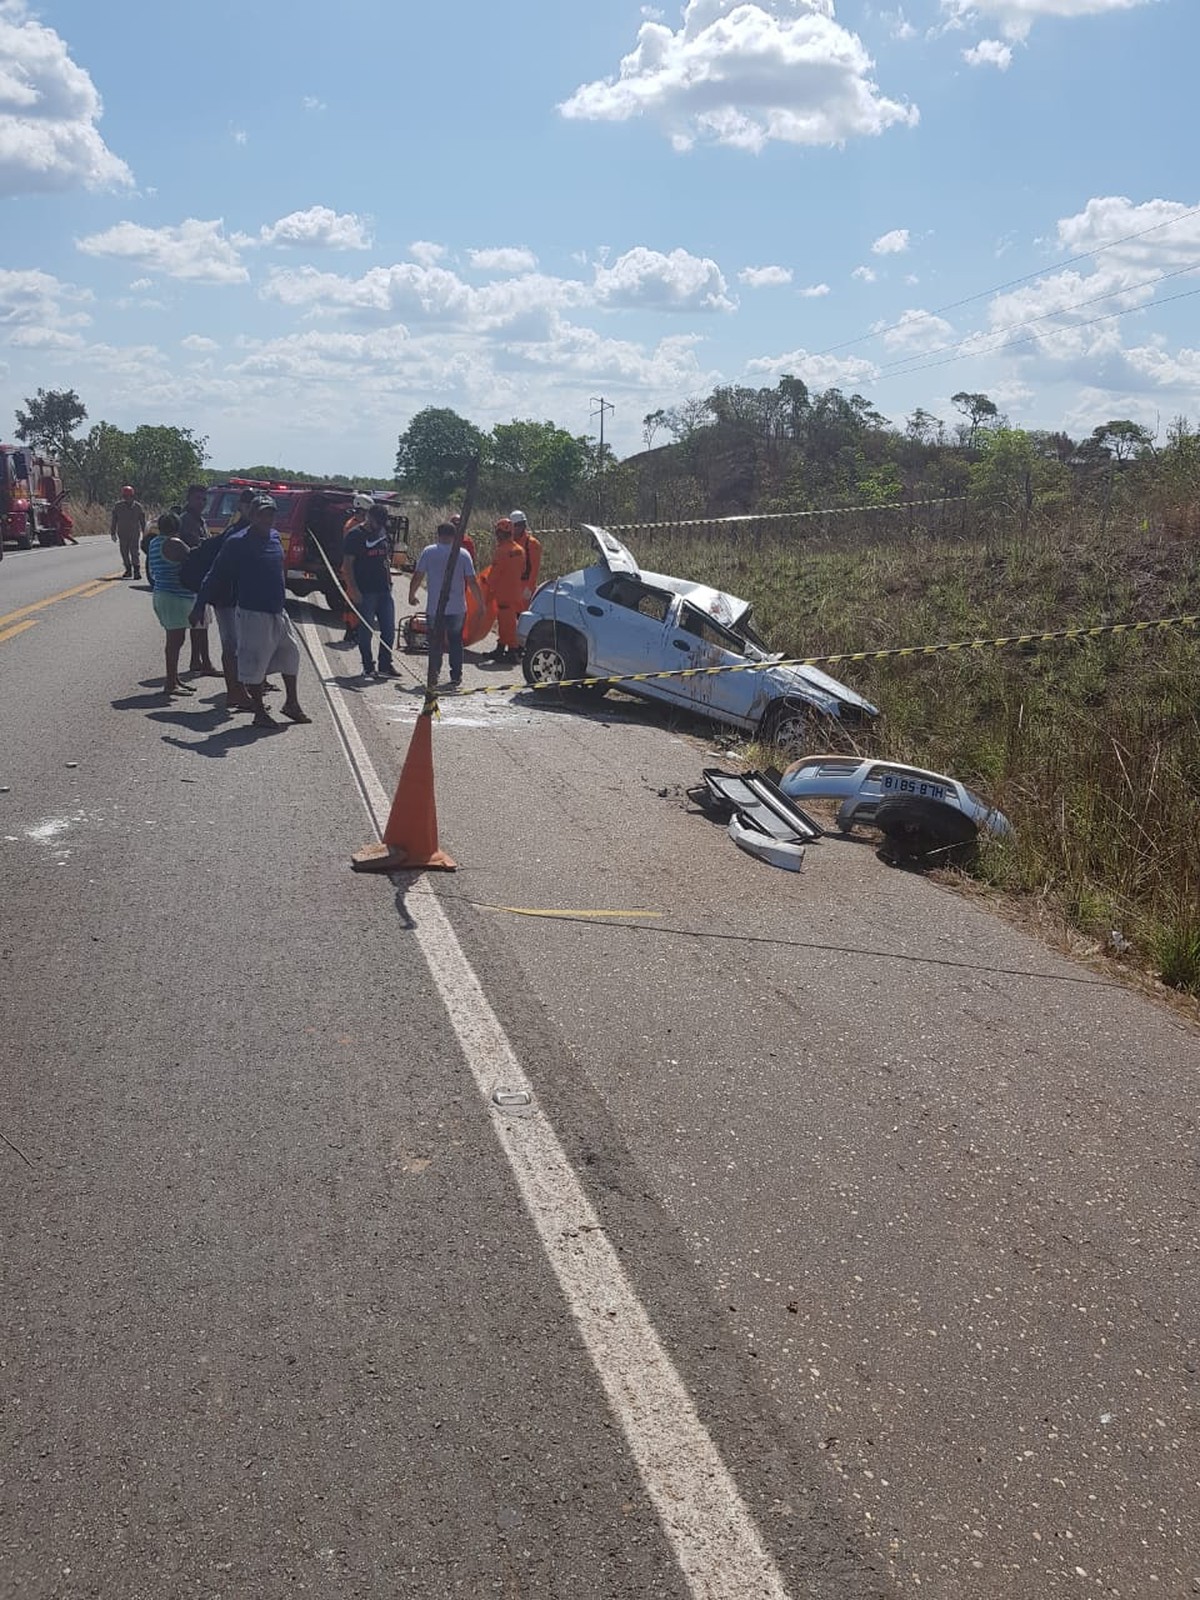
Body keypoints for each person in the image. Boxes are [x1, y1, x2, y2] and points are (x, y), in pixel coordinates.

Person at [193, 494, 311, 730]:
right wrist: (200, 604)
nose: (267, 518)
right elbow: (216, 573)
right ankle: (259, 712)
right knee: (253, 663)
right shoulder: (237, 542)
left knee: (291, 655)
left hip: (278, 610)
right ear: (252, 515)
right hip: (252, 613)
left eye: (271, 513)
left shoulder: (275, 537)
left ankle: (291, 703)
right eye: (262, 514)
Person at [408, 521, 483, 690]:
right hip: (457, 608)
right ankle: (456, 676)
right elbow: (471, 581)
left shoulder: (429, 552)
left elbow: (418, 575)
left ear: (438, 534)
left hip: (435, 607)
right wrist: (480, 604)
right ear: (455, 536)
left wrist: (411, 595)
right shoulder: (463, 554)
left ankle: (433, 675)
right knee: (456, 642)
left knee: (436, 642)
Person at [344, 502, 397, 681]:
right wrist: (353, 589)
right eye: (377, 522)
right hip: (365, 591)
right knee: (366, 631)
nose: (379, 526)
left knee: (389, 630)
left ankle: (385, 664)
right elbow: (348, 565)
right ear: (369, 517)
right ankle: (368, 666)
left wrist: (389, 580)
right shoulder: (355, 535)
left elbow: (385, 560)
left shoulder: (381, 532)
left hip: (383, 590)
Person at [146, 513, 196, 697]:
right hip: (175, 596)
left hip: (162, 594)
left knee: (175, 639)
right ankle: (170, 683)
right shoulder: (174, 543)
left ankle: (174, 678)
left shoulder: (154, 542)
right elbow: (192, 558)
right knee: (175, 642)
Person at [177, 484, 219, 678]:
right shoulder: (185, 520)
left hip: (200, 577)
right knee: (201, 622)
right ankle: (206, 663)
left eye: (203, 499)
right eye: (197, 499)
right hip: (193, 577)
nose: (201, 503)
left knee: (200, 624)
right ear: (188, 499)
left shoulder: (199, 520)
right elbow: (195, 546)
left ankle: (196, 660)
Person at [487, 518, 527, 663]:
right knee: (507, 622)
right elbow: (522, 570)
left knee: (507, 624)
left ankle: (512, 651)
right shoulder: (519, 550)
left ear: (500, 533)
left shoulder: (501, 551)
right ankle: (501, 648)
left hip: (504, 593)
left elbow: (495, 573)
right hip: (516, 592)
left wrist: (487, 585)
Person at [510, 509, 542, 617]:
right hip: (513, 586)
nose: (517, 528)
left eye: (519, 525)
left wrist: (529, 587)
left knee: (523, 618)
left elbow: (535, 568)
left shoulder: (532, 544)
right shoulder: (510, 543)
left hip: (525, 587)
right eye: (515, 525)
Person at [111, 485, 146, 578]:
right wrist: (112, 533)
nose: (127, 498)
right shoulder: (118, 506)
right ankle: (128, 570)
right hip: (122, 534)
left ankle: (137, 572)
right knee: (124, 552)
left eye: (129, 496)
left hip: (134, 534)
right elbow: (114, 520)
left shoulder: (138, 507)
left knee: (134, 552)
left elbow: (142, 521)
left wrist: (145, 533)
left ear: (133, 496)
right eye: (125, 496)